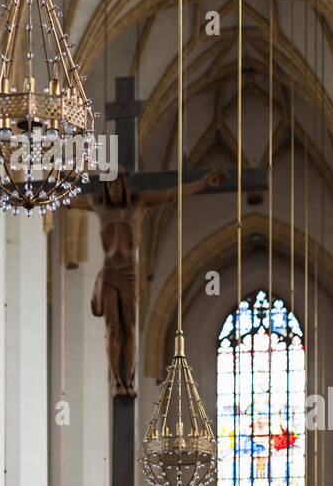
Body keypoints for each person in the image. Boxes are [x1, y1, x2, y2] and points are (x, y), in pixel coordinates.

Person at [70, 167, 226, 395]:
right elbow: (66, 201)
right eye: (109, 185)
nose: (113, 189)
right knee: (113, 327)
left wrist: (202, 183)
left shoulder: (139, 204)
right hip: (110, 272)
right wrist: (33, 197)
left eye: (116, 184)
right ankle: (116, 380)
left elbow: (172, 194)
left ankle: (129, 379)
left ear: (124, 184)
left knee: (130, 328)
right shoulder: (97, 204)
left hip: (129, 274)